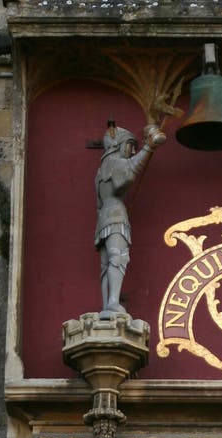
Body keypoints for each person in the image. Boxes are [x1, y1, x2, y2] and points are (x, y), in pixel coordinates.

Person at [95, 121, 166, 315]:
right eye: (130, 145)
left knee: (107, 263)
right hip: (116, 215)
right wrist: (149, 147)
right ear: (118, 144)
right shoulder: (114, 162)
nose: (133, 150)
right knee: (118, 257)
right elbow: (128, 173)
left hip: (103, 217)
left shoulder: (103, 168)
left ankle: (108, 303)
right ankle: (112, 302)